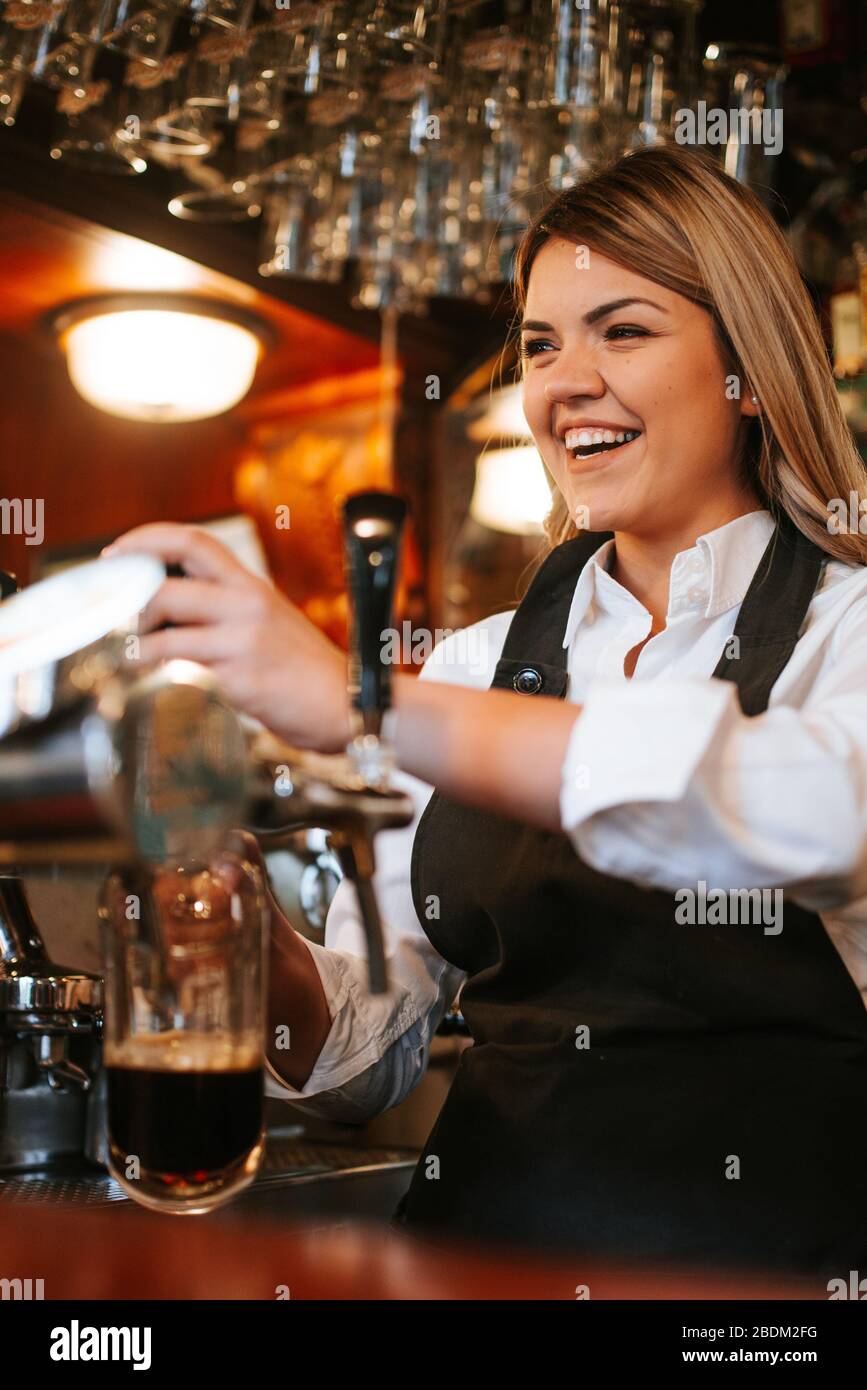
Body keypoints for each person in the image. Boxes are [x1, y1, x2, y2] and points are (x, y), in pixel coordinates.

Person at [104, 144, 867, 1279]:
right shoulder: (469, 667)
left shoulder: (846, 628)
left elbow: (806, 803)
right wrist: (238, 920)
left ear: (745, 366)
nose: (564, 384)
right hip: (482, 1273)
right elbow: (369, 1057)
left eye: (625, 329)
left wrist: (357, 701)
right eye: (542, 345)